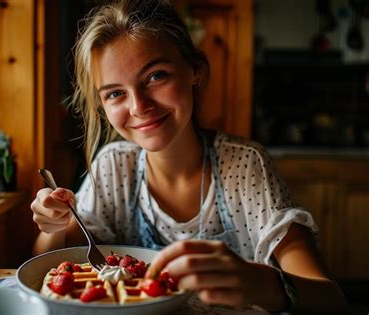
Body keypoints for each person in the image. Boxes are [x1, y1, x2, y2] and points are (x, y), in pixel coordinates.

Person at [31, 0, 346, 312]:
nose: (139, 107)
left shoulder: (244, 165)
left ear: (194, 71)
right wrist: (52, 228)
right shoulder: (113, 167)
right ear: (102, 106)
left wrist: (258, 283)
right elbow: (49, 263)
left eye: (156, 76)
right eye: (116, 93)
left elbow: (332, 301)